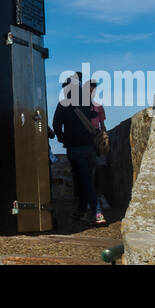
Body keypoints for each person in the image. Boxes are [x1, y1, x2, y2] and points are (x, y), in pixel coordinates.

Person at [53, 72, 104, 225]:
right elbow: (92, 117)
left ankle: (97, 212)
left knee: (84, 181)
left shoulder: (62, 104)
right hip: (89, 146)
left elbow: (56, 126)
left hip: (74, 148)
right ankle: (81, 211)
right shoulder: (86, 101)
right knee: (85, 179)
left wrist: (63, 139)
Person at [87, 80, 112, 218]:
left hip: (98, 139)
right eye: (89, 90)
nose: (91, 92)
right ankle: (90, 199)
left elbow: (102, 124)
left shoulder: (98, 106)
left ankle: (100, 195)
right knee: (90, 171)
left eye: (93, 90)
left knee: (101, 168)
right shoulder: (82, 106)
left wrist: (104, 140)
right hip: (86, 140)